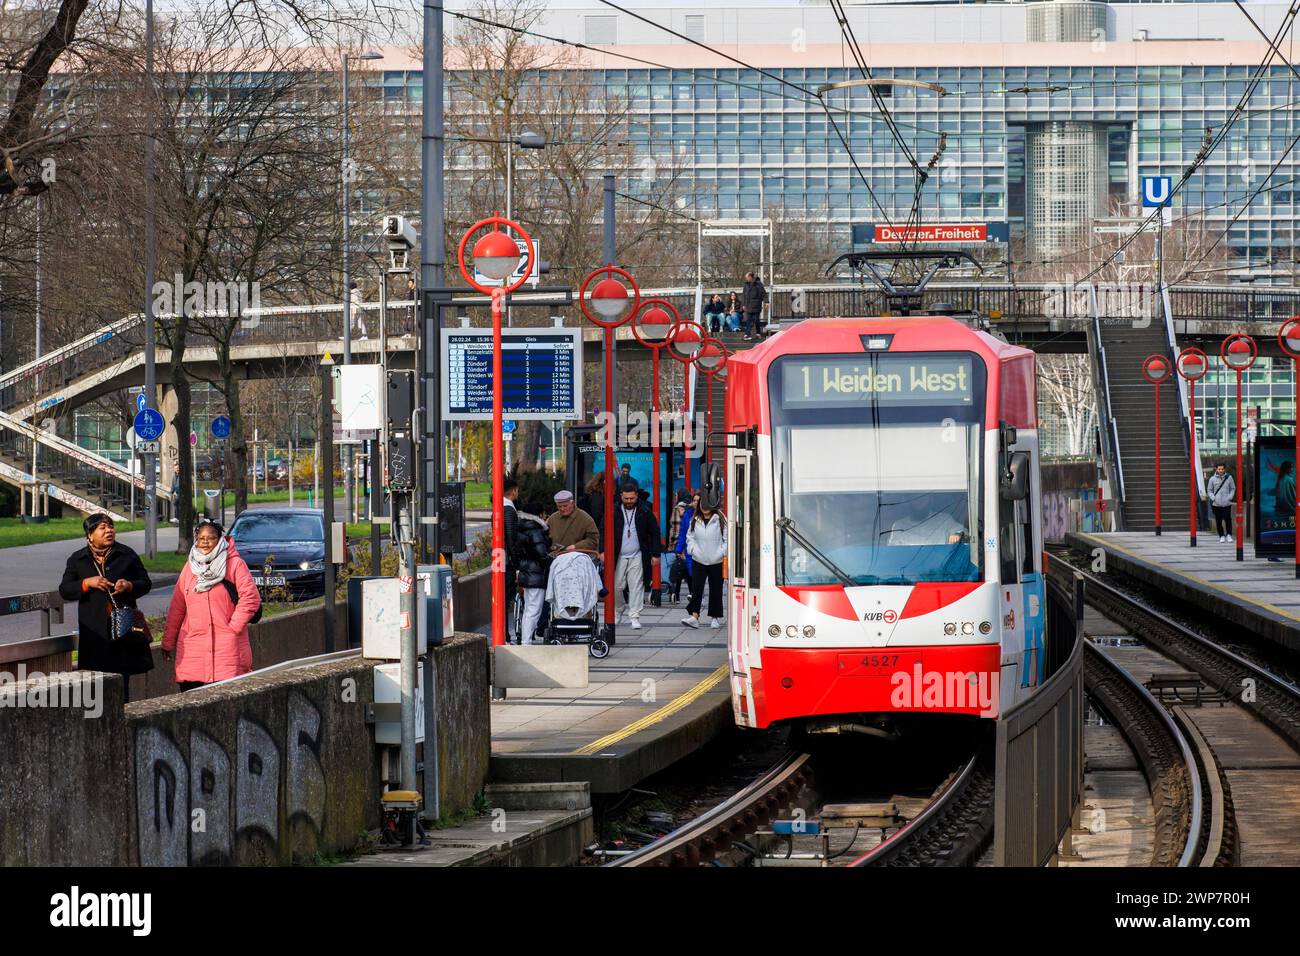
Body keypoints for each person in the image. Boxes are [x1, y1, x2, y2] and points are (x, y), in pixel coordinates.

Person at [59, 514, 154, 702]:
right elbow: (65, 589)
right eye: (102, 528)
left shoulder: (126, 555)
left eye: (110, 527)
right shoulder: (78, 559)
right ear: (90, 535)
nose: (109, 531)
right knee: (95, 687)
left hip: (122, 630)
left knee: (121, 686)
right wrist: (87, 583)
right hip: (94, 632)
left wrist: (129, 585)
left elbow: (145, 583)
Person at [162, 519, 261, 689]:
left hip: (228, 648)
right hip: (193, 651)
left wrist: (233, 628)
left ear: (220, 539)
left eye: (211, 537)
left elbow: (250, 598)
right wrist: (168, 642)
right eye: (201, 538)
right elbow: (177, 608)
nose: (206, 542)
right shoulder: (189, 568)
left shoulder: (234, 564)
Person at [611, 480, 662, 630]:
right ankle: (618, 611)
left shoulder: (644, 510)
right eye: (626, 498)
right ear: (621, 496)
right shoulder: (614, 510)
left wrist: (655, 554)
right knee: (616, 586)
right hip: (618, 555)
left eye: (632, 498)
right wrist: (602, 551)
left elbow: (654, 532)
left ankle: (634, 616)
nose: (629, 501)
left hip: (638, 554)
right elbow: (604, 530)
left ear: (637, 496)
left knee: (636, 586)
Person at [682, 500, 727, 629]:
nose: (705, 507)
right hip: (699, 559)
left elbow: (727, 538)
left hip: (716, 560)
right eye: (702, 504)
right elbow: (689, 536)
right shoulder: (695, 520)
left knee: (716, 589)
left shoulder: (720, 519)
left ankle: (715, 617)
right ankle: (694, 616)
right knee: (697, 589)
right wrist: (692, 550)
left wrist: (722, 552)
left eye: (707, 504)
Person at [515, 500, 553, 645]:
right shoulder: (535, 529)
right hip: (536, 574)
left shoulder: (522, 528)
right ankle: (526, 642)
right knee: (534, 610)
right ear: (540, 514)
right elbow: (540, 553)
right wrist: (550, 560)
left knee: (528, 609)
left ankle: (526, 639)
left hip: (527, 572)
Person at [547, 489, 600, 554]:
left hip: (577, 558)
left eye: (565, 506)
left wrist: (576, 547)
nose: (562, 509)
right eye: (559, 506)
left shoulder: (585, 518)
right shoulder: (552, 518)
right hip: (556, 558)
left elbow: (593, 540)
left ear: (572, 503)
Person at [503, 478, 521, 642]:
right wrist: (516, 562)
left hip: (500, 558)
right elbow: (511, 537)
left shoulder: (500, 507)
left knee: (503, 598)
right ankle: (504, 634)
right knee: (506, 598)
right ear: (514, 490)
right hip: (506, 561)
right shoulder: (508, 509)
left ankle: (504, 633)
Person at [1208, 463, 1235, 542]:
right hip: (1216, 504)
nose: (1221, 470)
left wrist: (1230, 497)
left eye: (1222, 469)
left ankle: (1229, 535)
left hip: (1226, 503)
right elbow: (1209, 491)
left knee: (1228, 519)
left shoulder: (1229, 478)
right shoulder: (1212, 479)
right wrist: (1213, 498)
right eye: (1219, 469)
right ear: (1216, 469)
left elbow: (1233, 488)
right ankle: (1221, 535)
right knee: (1218, 520)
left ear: (1224, 469)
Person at [740, 271, 766, 340]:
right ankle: (747, 334)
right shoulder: (746, 285)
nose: (746, 278)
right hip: (748, 306)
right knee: (748, 320)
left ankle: (758, 333)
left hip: (756, 305)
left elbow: (763, 293)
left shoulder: (758, 284)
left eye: (747, 277)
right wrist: (743, 305)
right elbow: (744, 295)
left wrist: (767, 302)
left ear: (750, 277)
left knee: (756, 320)